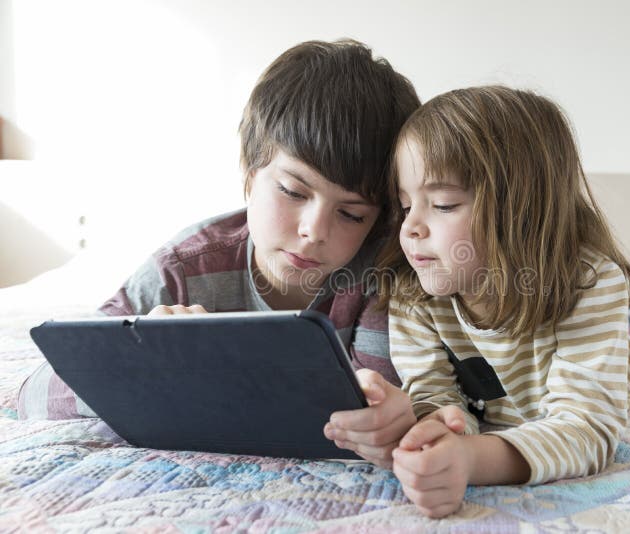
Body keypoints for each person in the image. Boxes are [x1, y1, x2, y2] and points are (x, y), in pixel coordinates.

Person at [17, 39, 420, 469]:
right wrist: (141, 357)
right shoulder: (181, 271)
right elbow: (34, 392)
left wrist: (389, 416)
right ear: (250, 175)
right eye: (292, 191)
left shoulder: (382, 273)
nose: (313, 231)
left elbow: (380, 398)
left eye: (352, 214)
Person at [375, 86, 630, 517]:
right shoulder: (414, 292)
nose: (411, 228)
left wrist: (471, 457)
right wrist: (440, 432)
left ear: (523, 211)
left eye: (443, 204)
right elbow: (432, 390)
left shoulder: (590, 285)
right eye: (405, 207)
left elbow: (587, 429)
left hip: (622, 385)